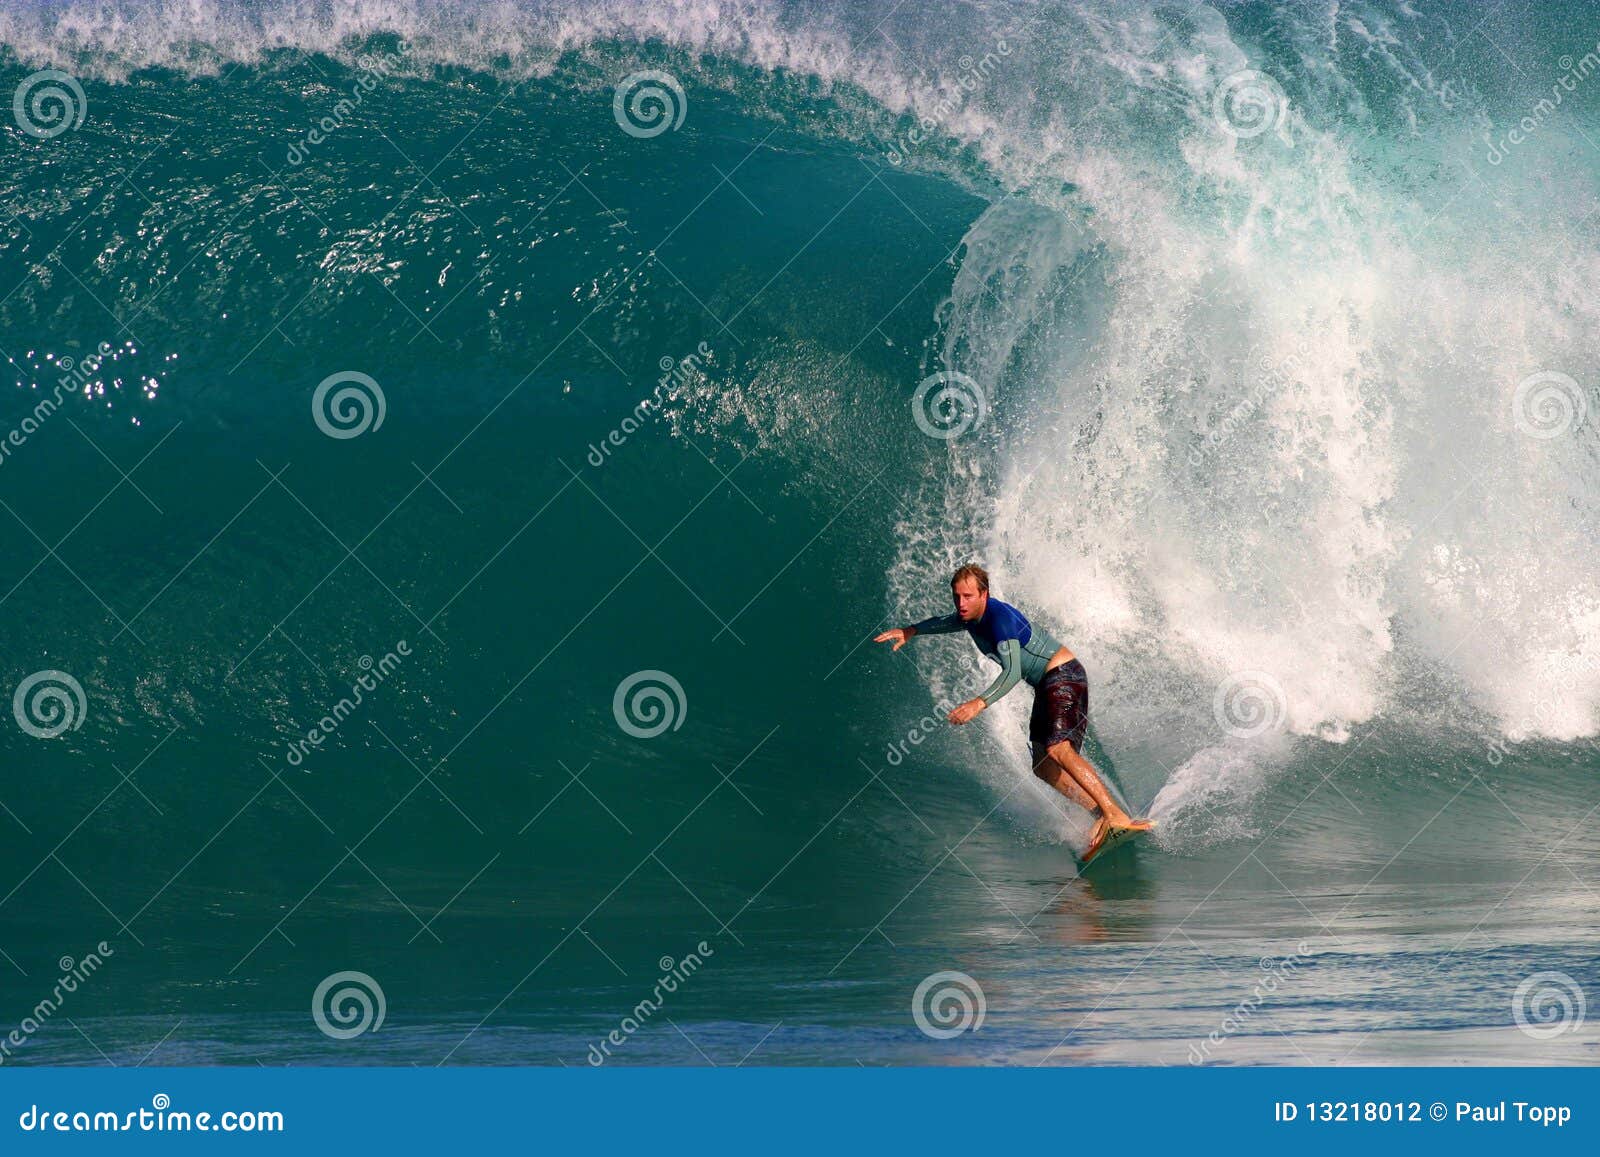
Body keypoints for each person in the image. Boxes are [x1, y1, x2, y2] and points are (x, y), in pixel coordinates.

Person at [875, 564, 1151, 857]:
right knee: (1043, 767)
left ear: (985, 594)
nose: (961, 604)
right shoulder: (970, 617)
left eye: (968, 596)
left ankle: (1115, 815)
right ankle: (1101, 814)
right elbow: (947, 621)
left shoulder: (1000, 620)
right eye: (957, 597)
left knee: (1059, 749)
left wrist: (978, 702)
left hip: (1063, 675)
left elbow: (1013, 672)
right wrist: (913, 630)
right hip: (1046, 685)